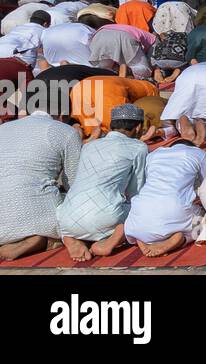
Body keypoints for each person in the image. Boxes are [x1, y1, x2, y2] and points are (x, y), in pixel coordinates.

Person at [56, 103, 148, 262]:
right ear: (138, 127)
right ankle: (110, 240)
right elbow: (136, 191)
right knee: (141, 208)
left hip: (66, 220)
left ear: (112, 125)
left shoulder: (89, 146)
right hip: (105, 219)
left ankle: (71, 239)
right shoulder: (138, 147)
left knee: (67, 206)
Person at [0, 106, 82, 261]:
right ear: (63, 115)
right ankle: (41, 238)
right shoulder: (65, 130)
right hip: (38, 218)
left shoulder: (3, 128)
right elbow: (76, 183)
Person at [123, 141, 206, 257]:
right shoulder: (198, 153)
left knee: (144, 220)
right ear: (192, 147)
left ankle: (143, 239)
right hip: (175, 207)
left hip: (141, 210)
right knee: (204, 221)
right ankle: (183, 238)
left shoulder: (154, 154)